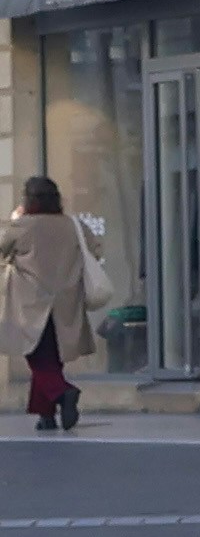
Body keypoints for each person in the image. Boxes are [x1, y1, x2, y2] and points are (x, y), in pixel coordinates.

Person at [7, 175, 104, 433]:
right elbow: (95, 251)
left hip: (31, 302)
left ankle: (63, 392)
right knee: (51, 357)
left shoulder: (23, 226)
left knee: (37, 356)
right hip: (66, 300)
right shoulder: (74, 225)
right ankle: (46, 415)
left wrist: (14, 219)